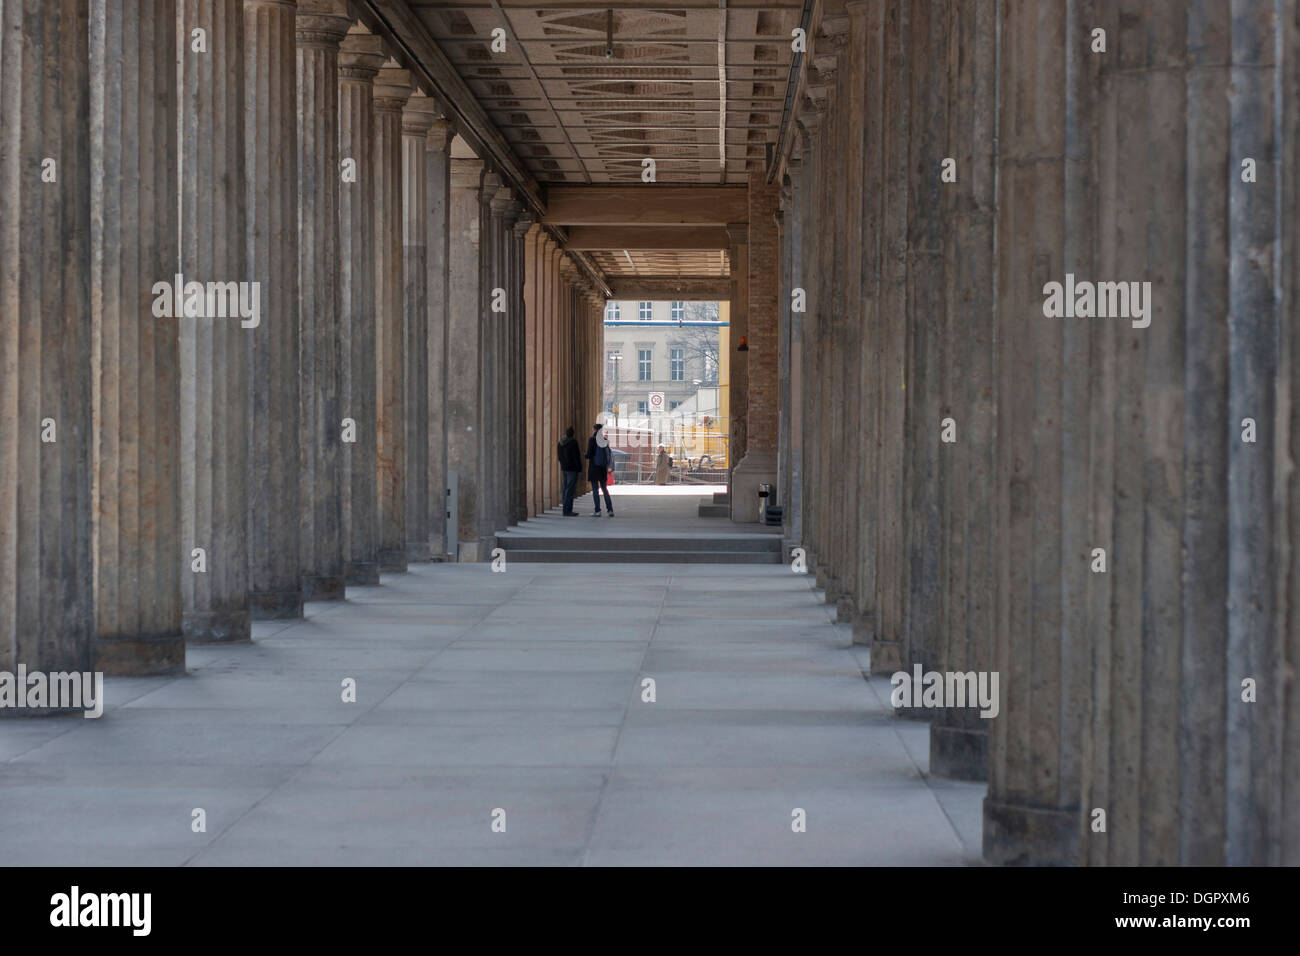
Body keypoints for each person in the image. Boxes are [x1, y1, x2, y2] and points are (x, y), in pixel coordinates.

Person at [585, 423, 615, 517]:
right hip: (602, 468)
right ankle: (610, 510)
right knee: (604, 489)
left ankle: (597, 511)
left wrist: (585, 454)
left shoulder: (592, 440)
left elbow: (589, 454)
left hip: (594, 468)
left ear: (595, 430)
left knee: (595, 490)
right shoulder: (605, 440)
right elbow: (608, 455)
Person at [556, 426, 582, 516]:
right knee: (570, 490)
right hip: (572, 469)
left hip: (564, 469)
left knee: (565, 489)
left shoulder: (560, 443)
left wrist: (563, 464)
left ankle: (565, 509)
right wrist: (579, 468)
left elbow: (559, 456)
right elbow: (576, 457)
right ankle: (568, 510)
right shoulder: (573, 442)